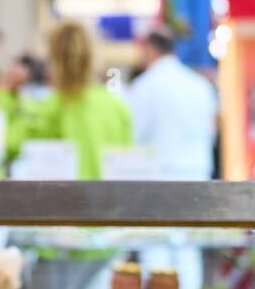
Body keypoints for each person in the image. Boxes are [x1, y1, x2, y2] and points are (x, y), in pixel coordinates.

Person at [17, 21, 131, 179]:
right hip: (109, 201)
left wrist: (7, 95)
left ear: (54, 60)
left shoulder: (49, 107)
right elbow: (127, 165)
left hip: (64, 200)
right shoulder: (117, 107)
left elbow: (10, 143)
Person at [126, 28, 218, 180]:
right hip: (198, 171)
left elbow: (135, 134)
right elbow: (211, 131)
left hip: (160, 174)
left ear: (150, 49)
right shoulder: (200, 85)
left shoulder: (144, 86)